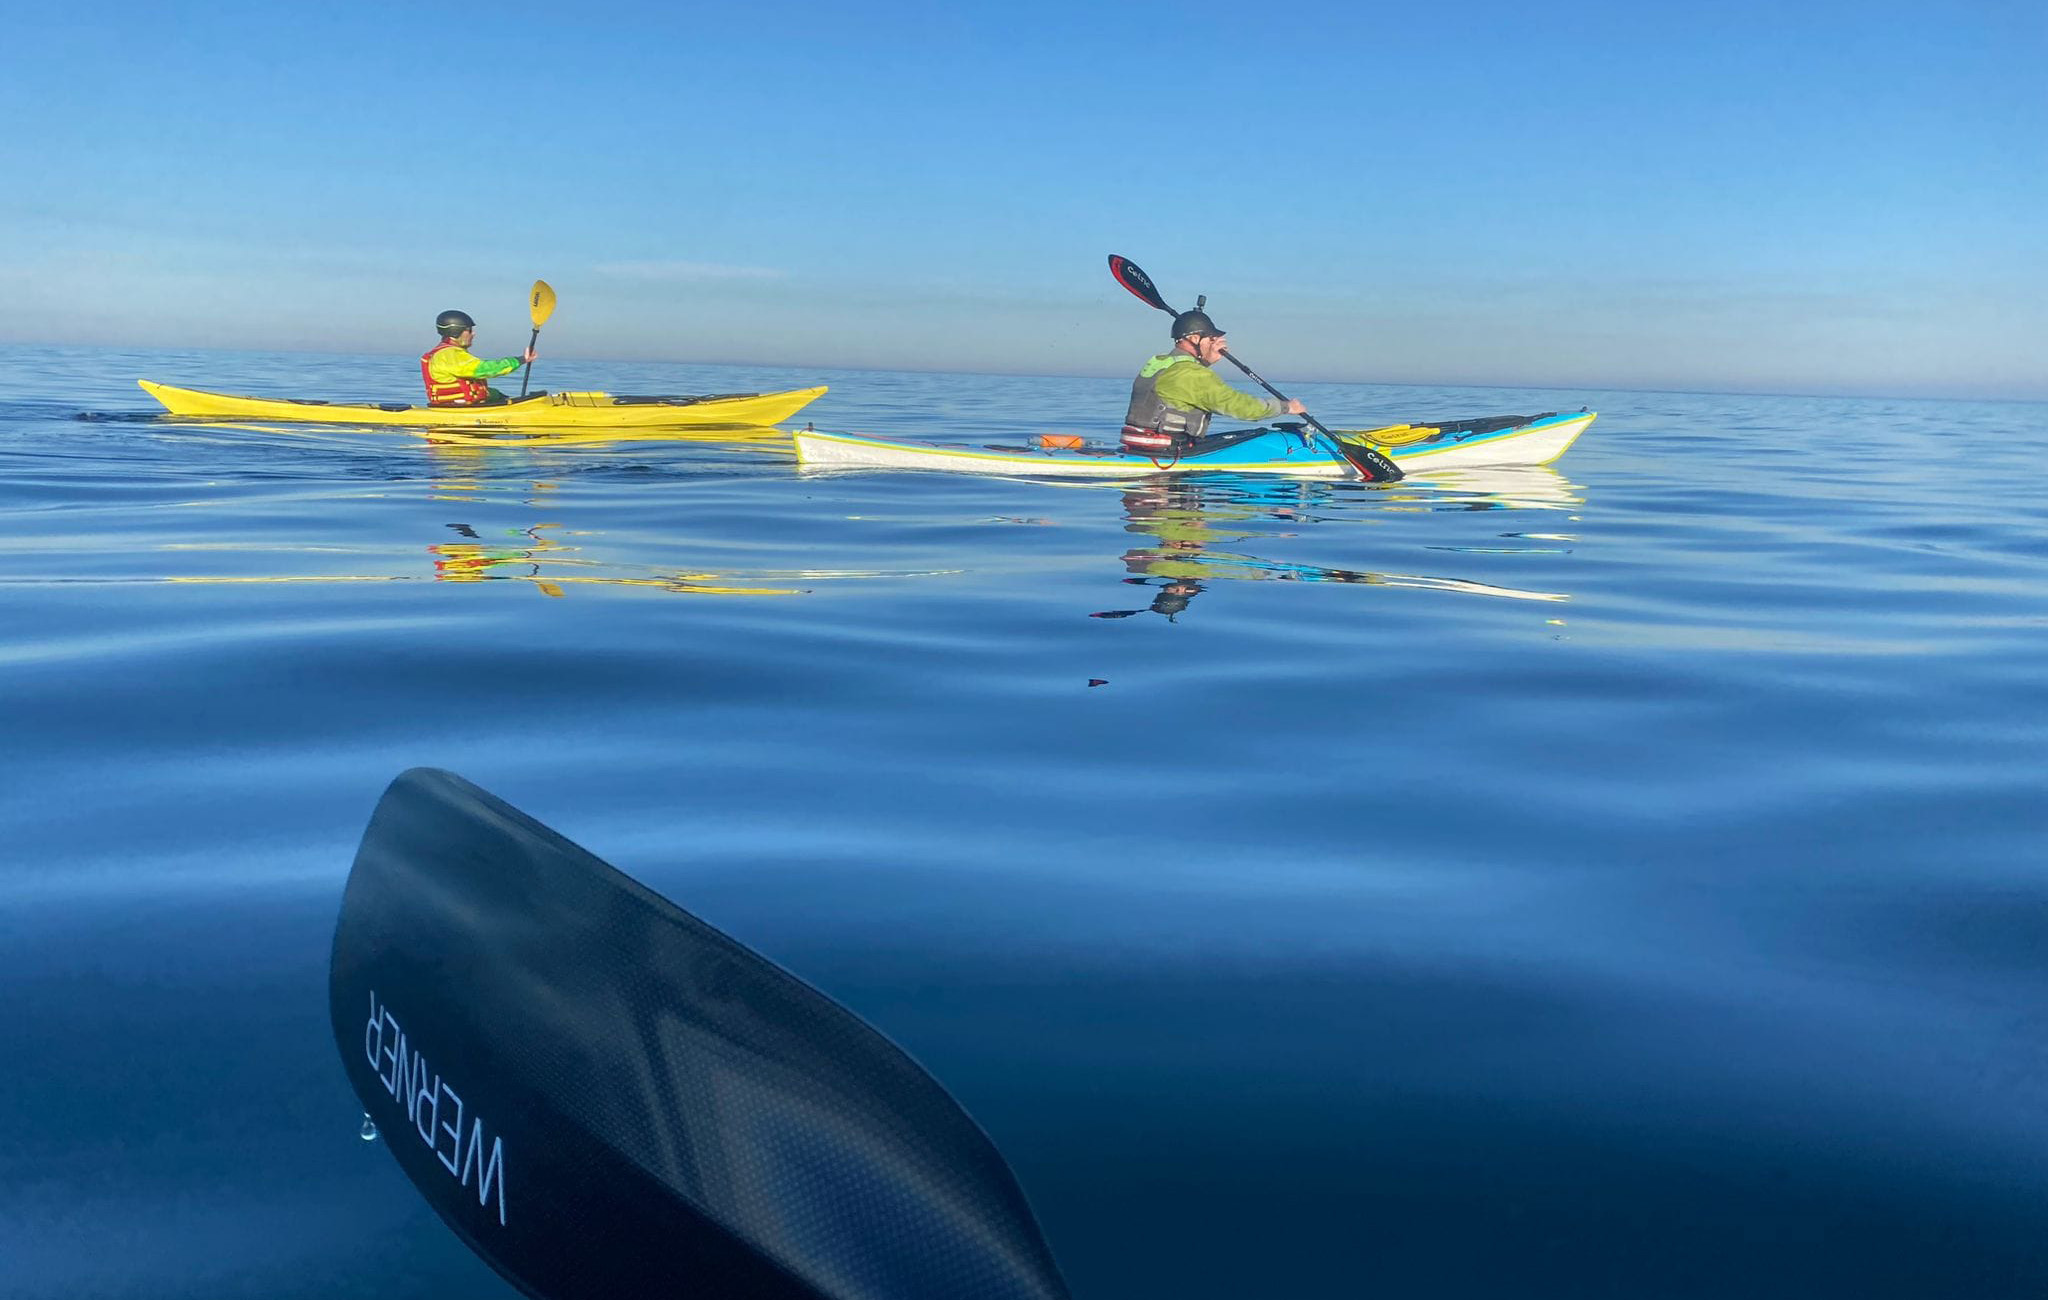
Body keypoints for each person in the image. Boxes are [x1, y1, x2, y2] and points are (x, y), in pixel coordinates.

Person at [1121, 309, 1305, 455]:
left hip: (1137, 445)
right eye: (1211, 339)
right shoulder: (1193, 375)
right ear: (1194, 339)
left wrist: (1205, 360)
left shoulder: (1159, 362)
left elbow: (1184, 386)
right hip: (1167, 452)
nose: (1216, 343)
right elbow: (1241, 407)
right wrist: (1285, 407)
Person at [420, 310, 537, 406]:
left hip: (465, 404)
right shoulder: (449, 355)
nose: (473, 334)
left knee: (496, 394)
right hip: (458, 407)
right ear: (455, 332)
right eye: (469, 330)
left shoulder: (448, 353)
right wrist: (521, 360)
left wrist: (502, 397)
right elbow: (484, 369)